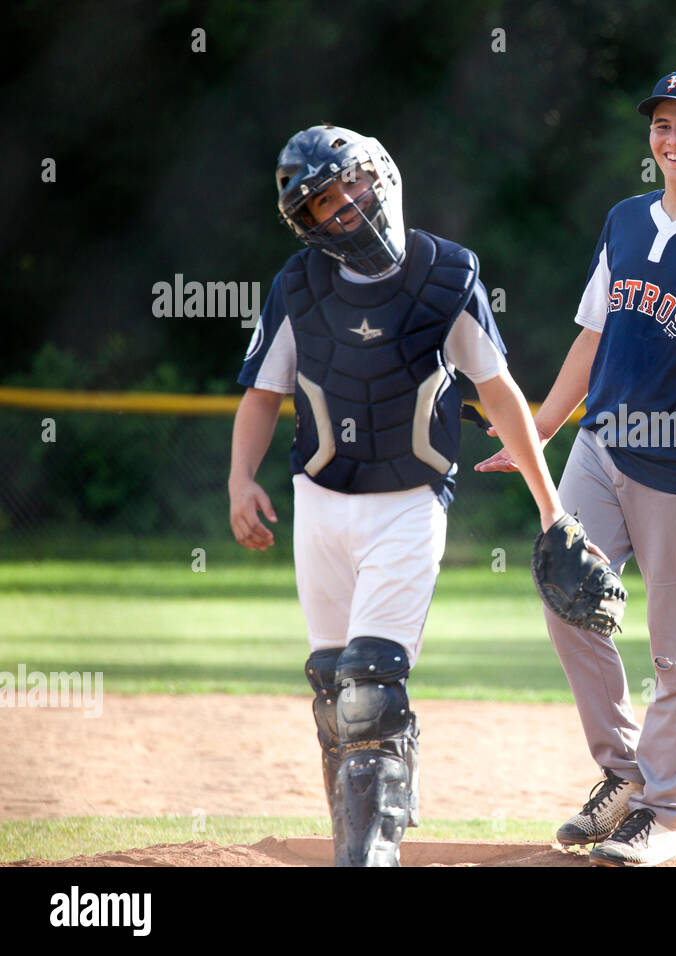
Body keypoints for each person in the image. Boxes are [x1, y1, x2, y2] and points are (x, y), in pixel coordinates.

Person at [228, 124, 580, 867]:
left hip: (409, 502)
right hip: (318, 500)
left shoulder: (447, 273)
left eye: (349, 185)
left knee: (370, 686)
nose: (345, 207)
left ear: (380, 173)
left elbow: (498, 391)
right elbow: (262, 393)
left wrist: (551, 509)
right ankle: (355, 837)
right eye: (323, 204)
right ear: (308, 224)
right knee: (334, 689)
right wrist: (240, 478)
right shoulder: (298, 283)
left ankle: (371, 857)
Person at [475, 70, 676, 866]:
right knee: (566, 594)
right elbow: (593, 335)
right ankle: (623, 776)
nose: (674, 139)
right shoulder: (623, 219)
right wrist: (538, 431)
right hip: (601, 445)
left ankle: (665, 817)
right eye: (663, 125)